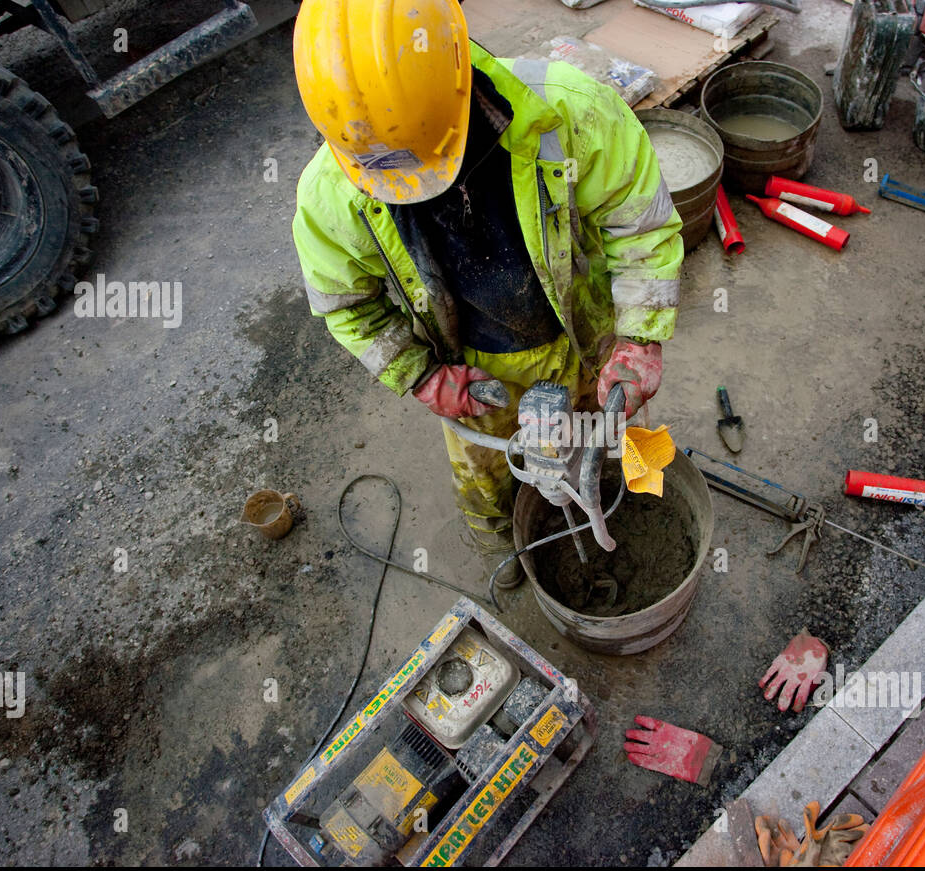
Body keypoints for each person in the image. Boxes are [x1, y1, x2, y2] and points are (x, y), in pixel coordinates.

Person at [290, 0, 682, 584]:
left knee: (594, 446)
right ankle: (508, 554)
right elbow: (347, 306)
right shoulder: (331, 196)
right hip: (474, 376)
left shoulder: (569, 112)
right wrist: (421, 376)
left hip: (586, 339)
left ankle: (598, 509)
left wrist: (639, 338)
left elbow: (641, 224)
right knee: (486, 483)